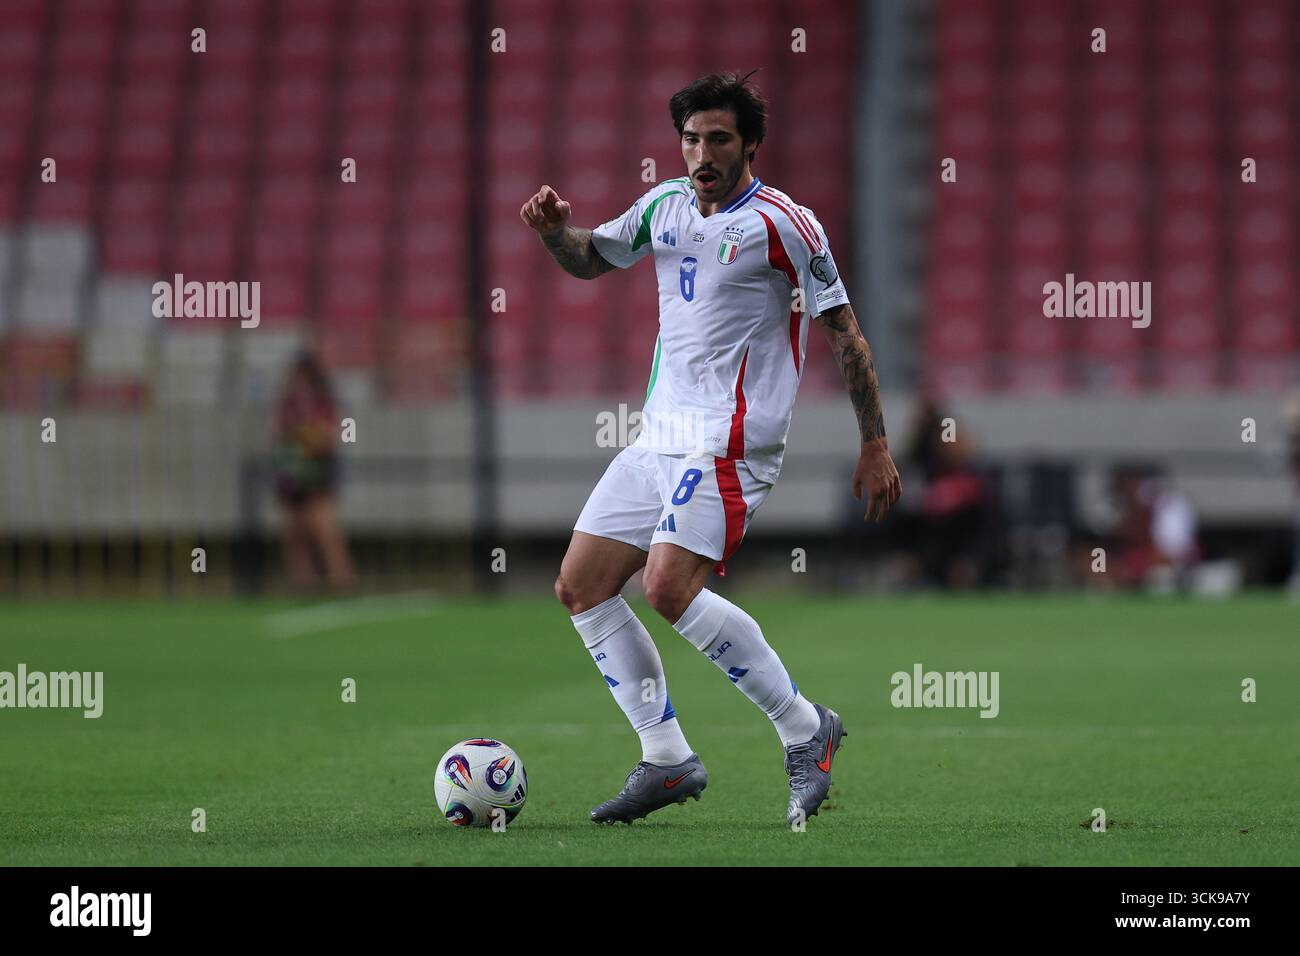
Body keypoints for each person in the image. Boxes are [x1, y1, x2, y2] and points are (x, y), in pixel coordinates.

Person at [520, 72, 901, 826]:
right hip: (659, 435)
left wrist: (876, 441)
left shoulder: (786, 223)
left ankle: (804, 729)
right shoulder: (664, 205)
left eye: (718, 139)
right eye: (691, 138)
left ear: (749, 144)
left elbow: (845, 334)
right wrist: (552, 232)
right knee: (582, 587)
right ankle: (665, 757)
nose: (702, 152)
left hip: (731, 440)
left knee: (665, 587)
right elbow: (592, 259)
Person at [273, 350, 356, 593]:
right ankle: (302, 583)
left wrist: (305, 437)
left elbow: (331, 437)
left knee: (323, 527)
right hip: (293, 471)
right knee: (294, 531)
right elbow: (279, 434)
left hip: (319, 471)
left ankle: (342, 581)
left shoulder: (324, 401)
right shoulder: (287, 403)